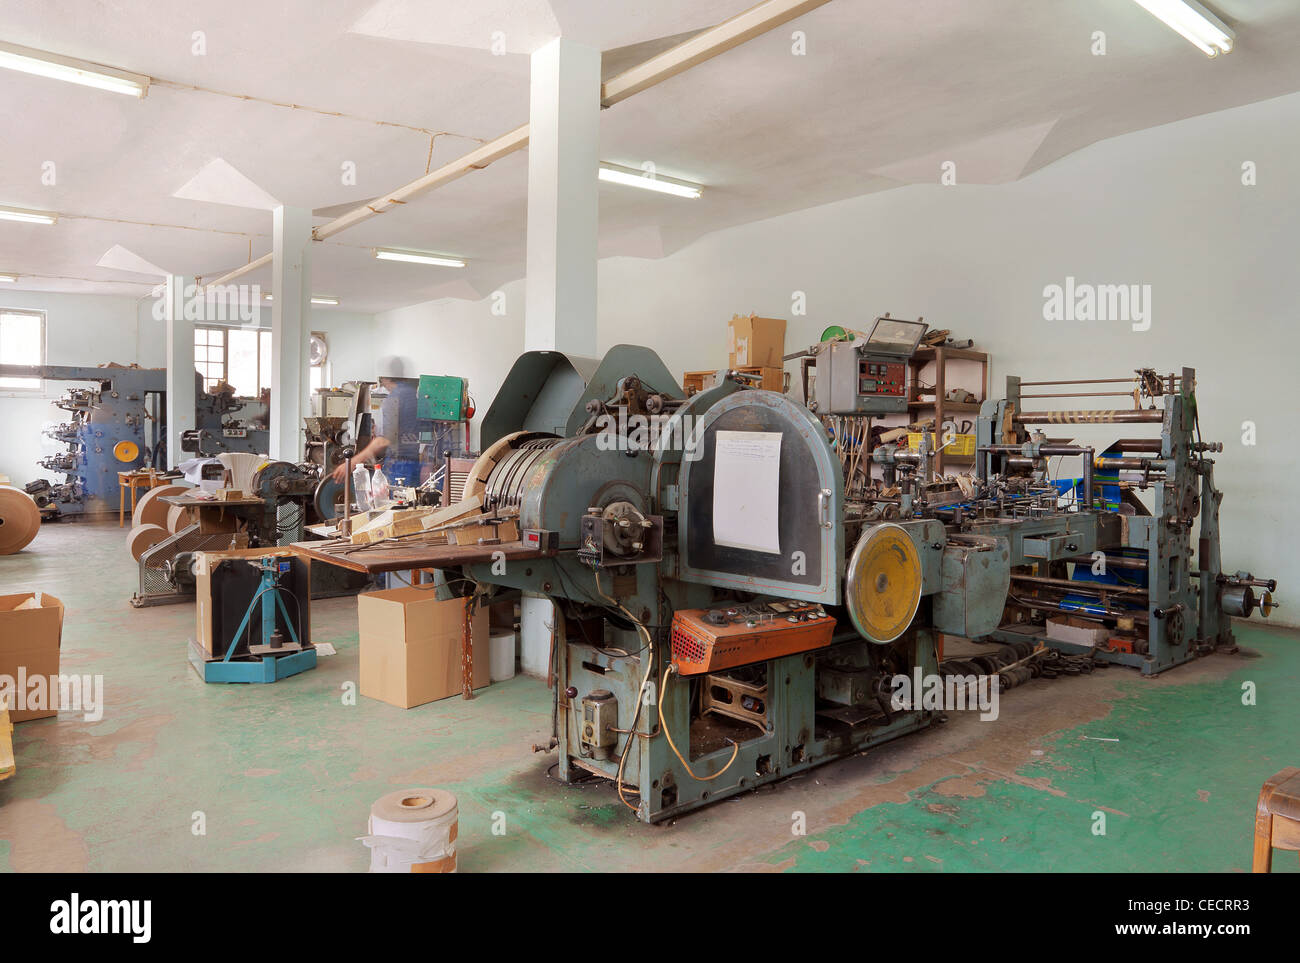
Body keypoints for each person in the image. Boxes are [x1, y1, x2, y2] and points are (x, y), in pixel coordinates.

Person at [330, 356, 421, 485]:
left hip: (400, 466)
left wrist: (352, 463)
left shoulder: (395, 398)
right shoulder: (412, 394)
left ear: (384, 377)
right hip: (414, 462)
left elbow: (385, 440)